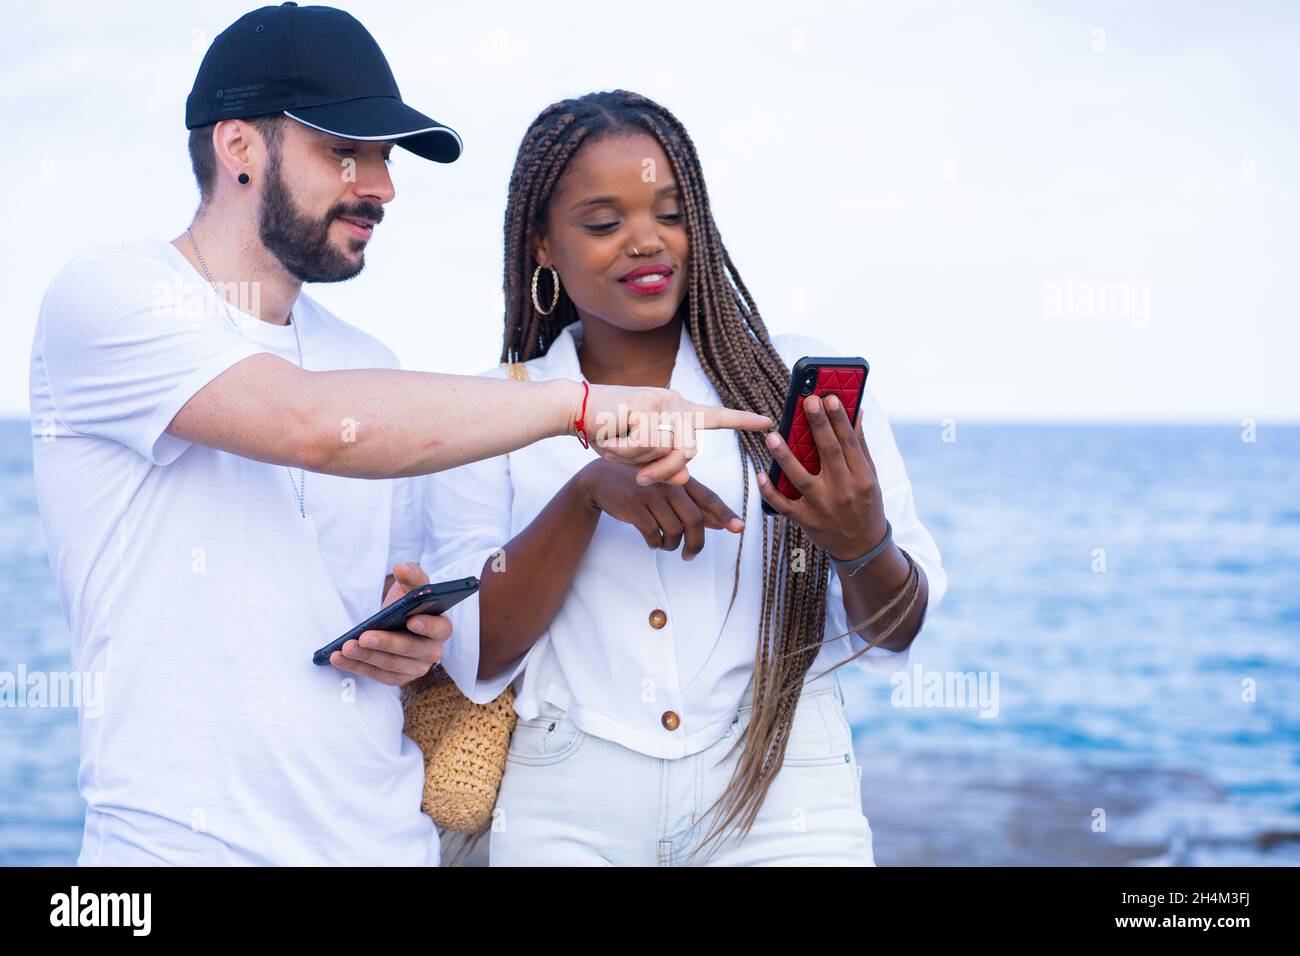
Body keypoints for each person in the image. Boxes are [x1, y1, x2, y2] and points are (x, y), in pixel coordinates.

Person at [29, 9, 767, 866]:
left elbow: (397, 595)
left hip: (385, 843)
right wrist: (586, 405)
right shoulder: (112, 295)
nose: (381, 185)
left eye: (385, 158)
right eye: (348, 151)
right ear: (238, 147)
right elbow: (307, 425)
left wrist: (411, 639)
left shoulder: (365, 362)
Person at [422, 90, 948, 865]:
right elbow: (478, 654)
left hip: (783, 785)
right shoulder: (494, 409)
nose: (647, 242)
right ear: (541, 244)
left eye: (670, 214)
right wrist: (587, 494)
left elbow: (894, 633)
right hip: (568, 794)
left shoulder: (786, 382)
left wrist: (861, 541)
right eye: (604, 223)